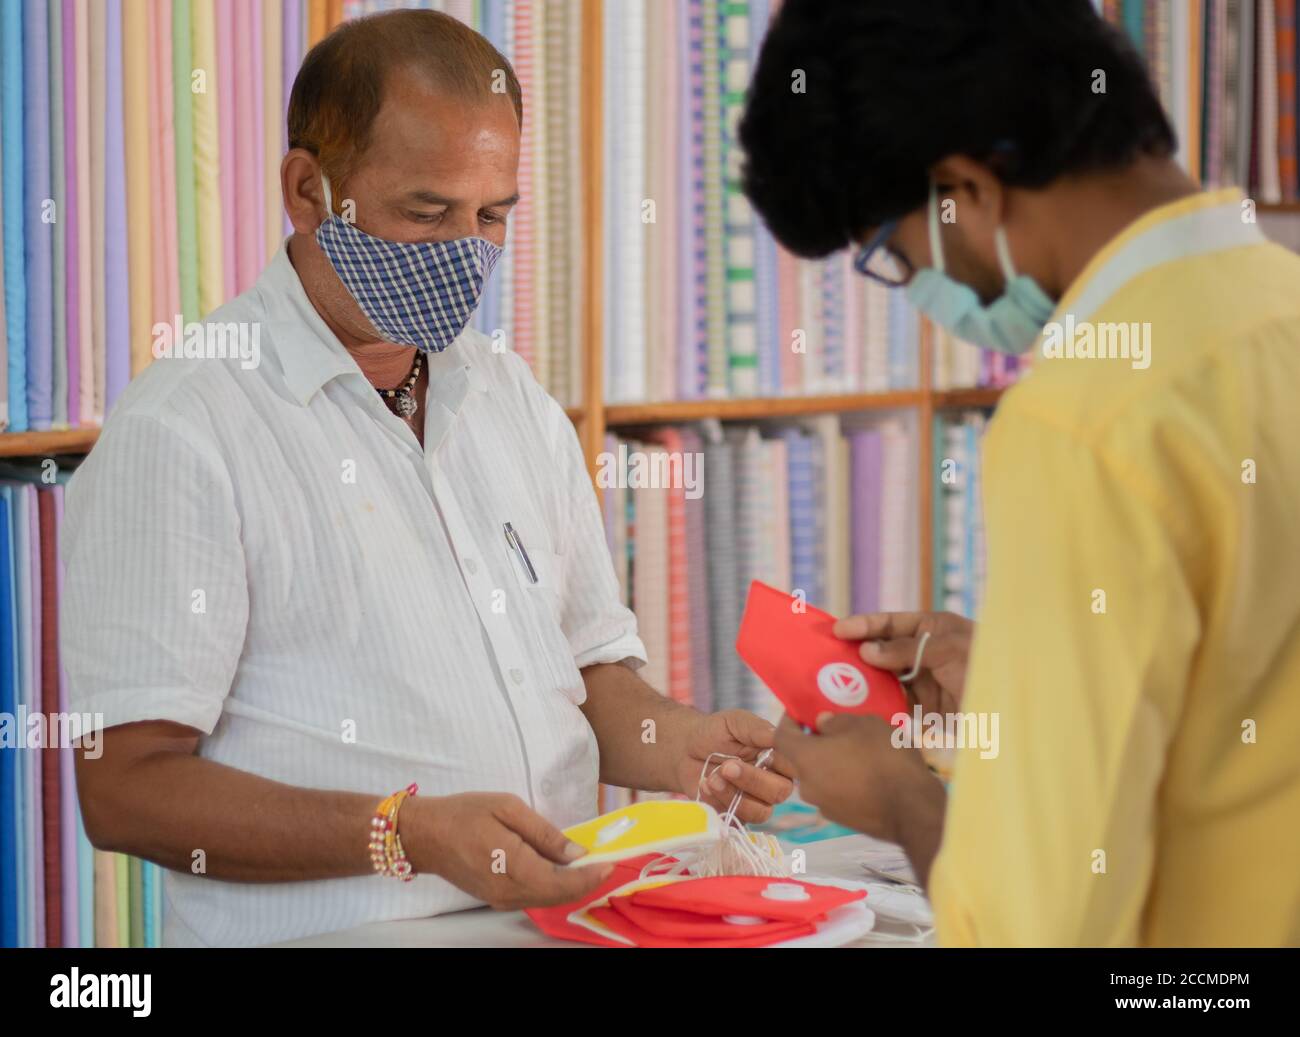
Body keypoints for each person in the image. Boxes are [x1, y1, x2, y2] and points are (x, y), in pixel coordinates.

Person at [64, 9, 790, 947]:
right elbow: (124, 791)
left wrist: (677, 744)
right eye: (425, 212)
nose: (465, 252)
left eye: (492, 216)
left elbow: (588, 672)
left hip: (561, 924)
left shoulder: (509, 397)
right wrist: (403, 833)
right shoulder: (186, 428)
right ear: (307, 189)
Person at [739, 0, 1300, 945]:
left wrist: (902, 799)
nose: (928, 292)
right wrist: (1016, 682)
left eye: (898, 256)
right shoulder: (1277, 307)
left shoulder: (1085, 419)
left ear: (966, 188)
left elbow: (1041, 926)